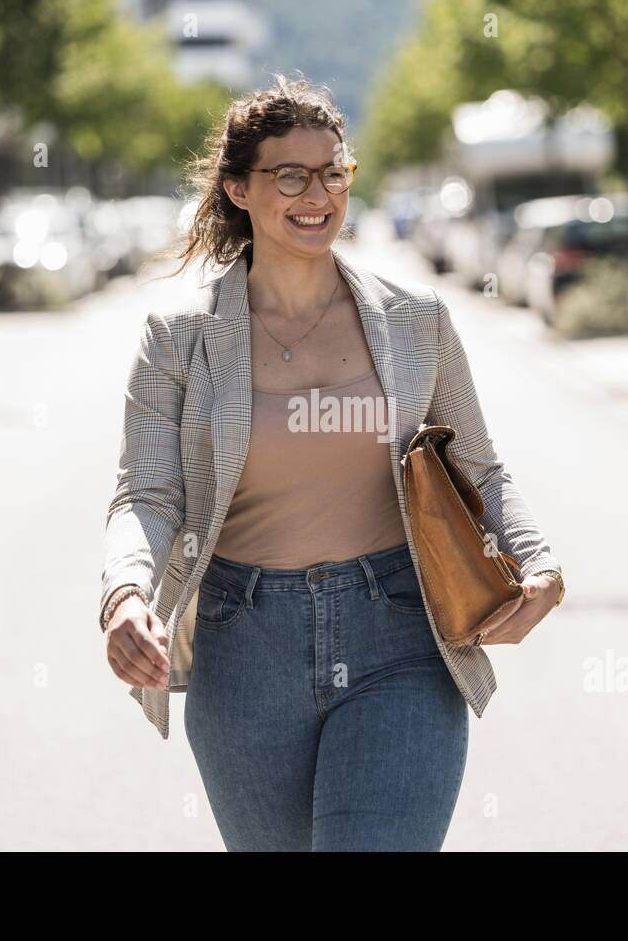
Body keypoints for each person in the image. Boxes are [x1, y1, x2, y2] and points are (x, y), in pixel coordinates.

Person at [99, 74, 565, 851]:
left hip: (400, 639)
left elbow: (481, 468)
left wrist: (540, 565)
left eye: (333, 171)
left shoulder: (417, 323)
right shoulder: (176, 337)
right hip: (242, 649)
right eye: (289, 174)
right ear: (239, 190)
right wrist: (123, 594)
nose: (317, 193)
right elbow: (145, 494)